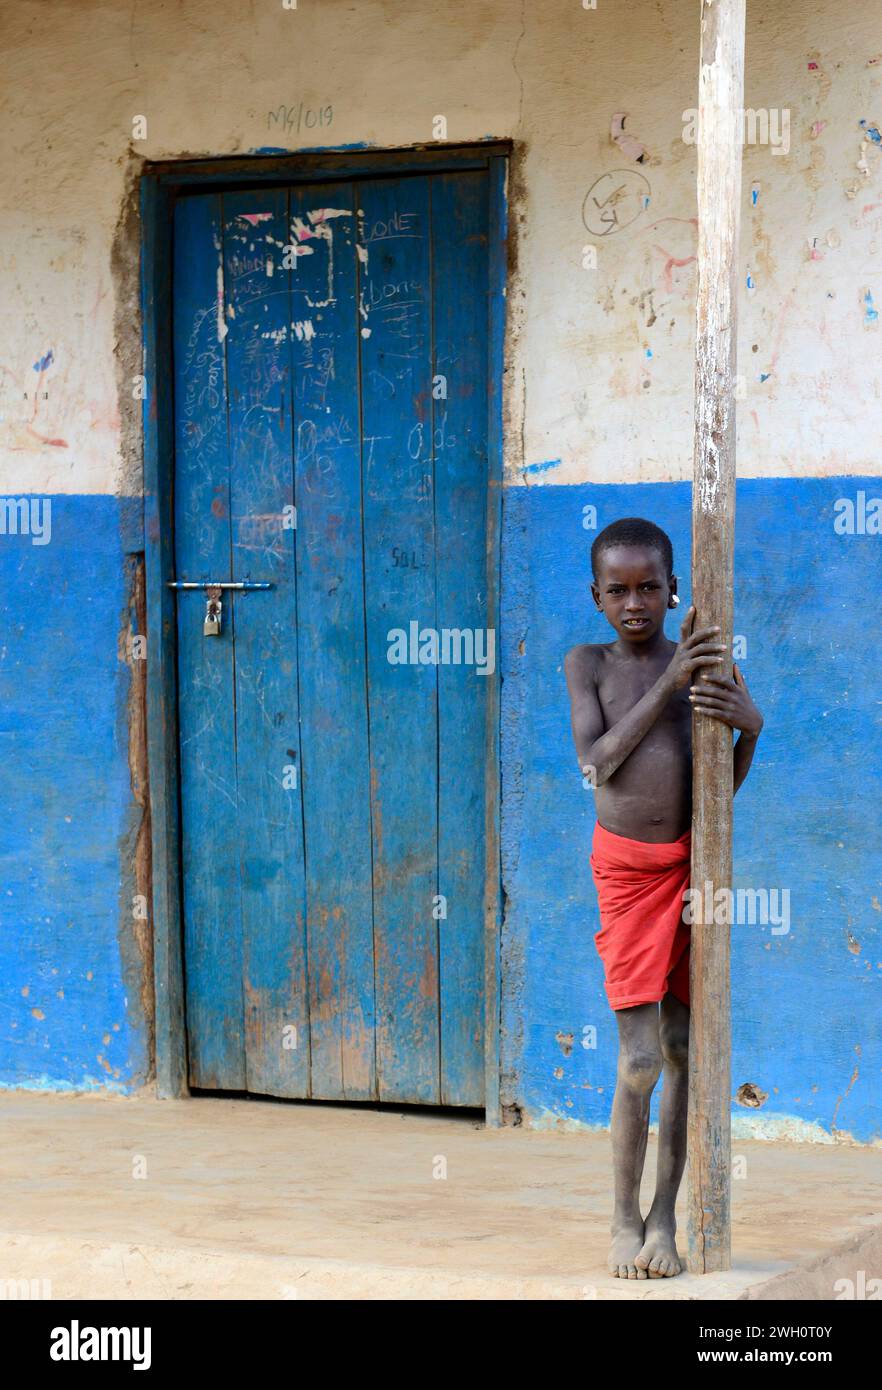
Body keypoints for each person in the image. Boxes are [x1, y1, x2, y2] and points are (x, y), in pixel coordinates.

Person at [563, 517, 763, 1279]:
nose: (636, 602)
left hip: (691, 874)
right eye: (619, 590)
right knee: (639, 1059)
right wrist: (670, 684)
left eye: (650, 587)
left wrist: (751, 732)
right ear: (597, 596)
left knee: (681, 1054)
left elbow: (720, 793)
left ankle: (662, 1221)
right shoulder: (588, 664)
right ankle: (620, 1218)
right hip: (625, 875)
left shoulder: (702, 665)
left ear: (674, 589)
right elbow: (598, 765)